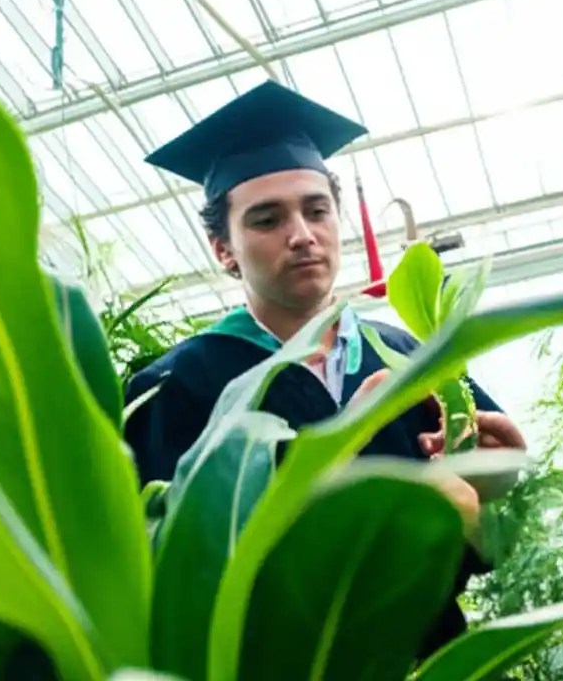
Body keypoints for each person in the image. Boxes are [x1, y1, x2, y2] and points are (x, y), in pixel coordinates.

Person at [122, 79, 525, 658]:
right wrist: (343, 448)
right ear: (223, 249)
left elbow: (491, 547)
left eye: (317, 210)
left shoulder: (411, 359)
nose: (303, 235)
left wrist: (494, 488)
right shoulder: (178, 386)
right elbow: (169, 573)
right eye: (267, 220)